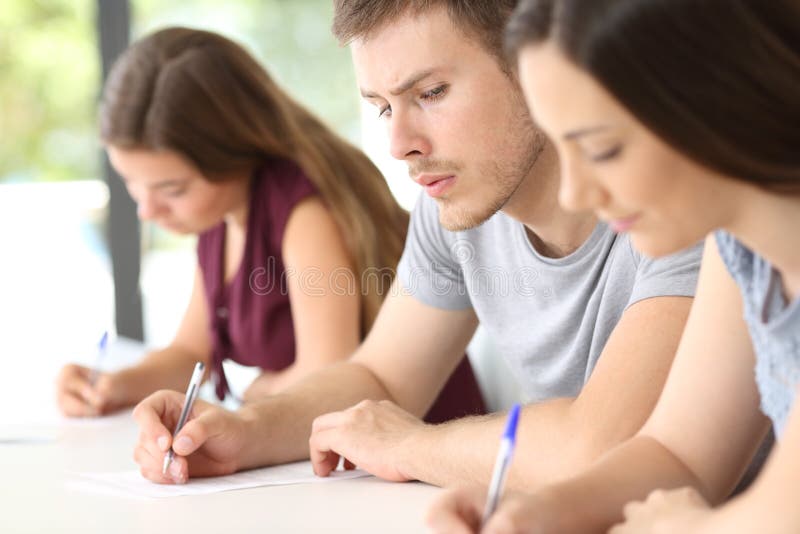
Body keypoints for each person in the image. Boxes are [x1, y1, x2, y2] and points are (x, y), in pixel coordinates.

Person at [129, 2, 701, 489]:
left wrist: (412, 447)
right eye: (381, 106)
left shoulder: (680, 197)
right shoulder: (452, 206)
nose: (399, 144)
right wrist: (245, 432)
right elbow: (380, 378)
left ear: (533, 61)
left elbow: (597, 444)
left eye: (430, 92)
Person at [426, 0, 800, 532]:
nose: (577, 192)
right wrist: (538, 512)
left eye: (600, 149)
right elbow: (680, 455)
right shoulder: (741, 246)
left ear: (720, 97)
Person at [54, 27, 485, 424]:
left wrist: (254, 392)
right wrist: (111, 385)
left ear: (234, 151)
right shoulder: (218, 216)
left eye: (172, 188)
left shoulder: (303, 210)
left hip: (413, 448)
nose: (148, 211)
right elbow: (190, 351)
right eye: (133, 185)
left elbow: (327, 369)